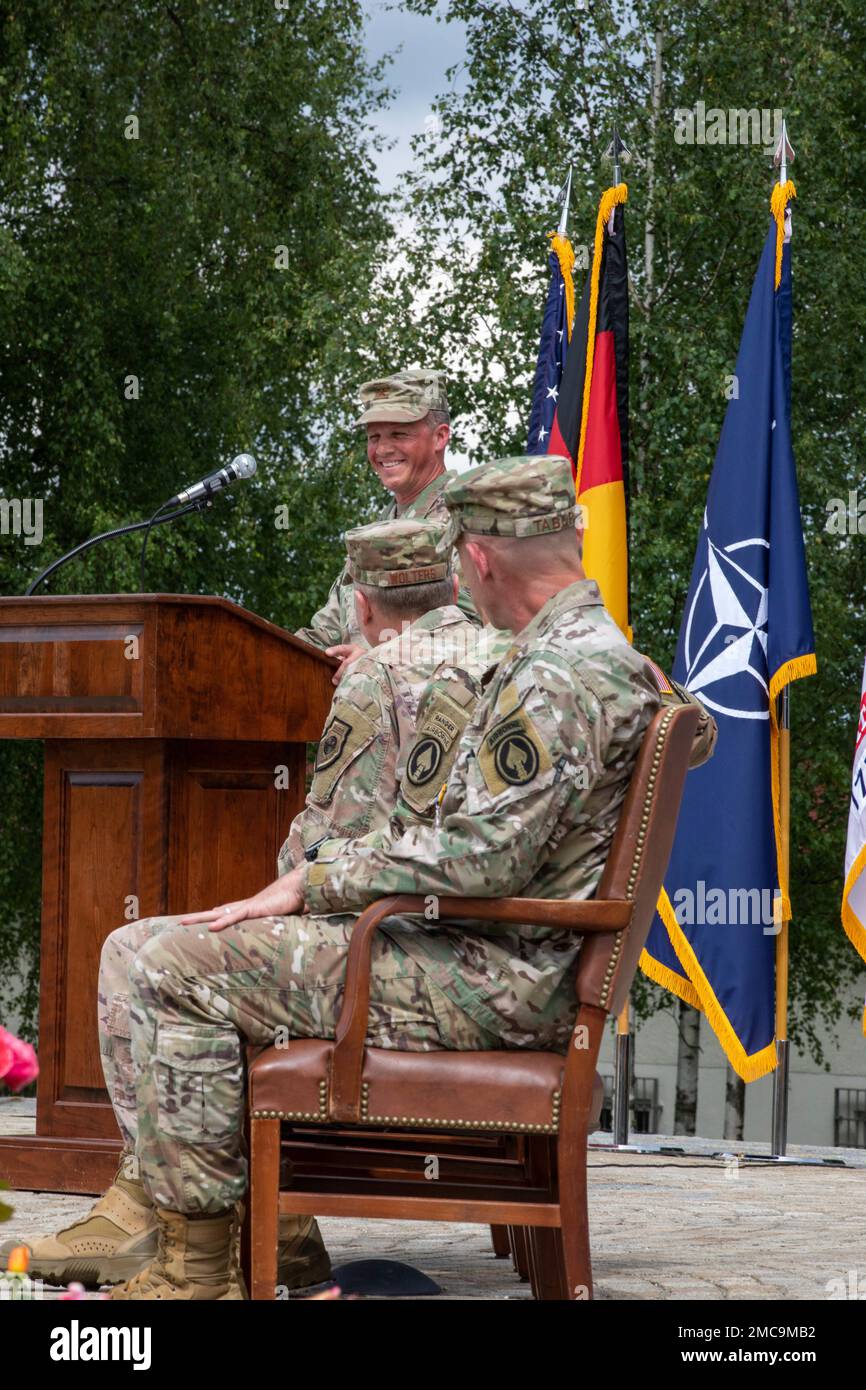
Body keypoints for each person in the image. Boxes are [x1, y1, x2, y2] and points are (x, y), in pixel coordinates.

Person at [46, 453, 715, 1301]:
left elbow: (485, 856)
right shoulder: (595, 654)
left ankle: (196, 1273)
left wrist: (320, 881)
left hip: (486, 978)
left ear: (475, 558)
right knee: (174, 951)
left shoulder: (558, 673)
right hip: (489, 956)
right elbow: (686, 737)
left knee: (175, 967)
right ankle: (226, 1247)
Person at [279, 516, 501, 871]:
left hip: (404, 912)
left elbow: (330, 845)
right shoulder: (514, 652)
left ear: (362, 607)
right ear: (455, 590)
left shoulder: (373, 676)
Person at [294, 368, 479, 681]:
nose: (382, 450)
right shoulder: (378, 532)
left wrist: (379, 660)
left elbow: (483, 638)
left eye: (399, 434)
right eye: (373, 437)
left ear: (440, 436)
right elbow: (328, 632)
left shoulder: (468, 525)